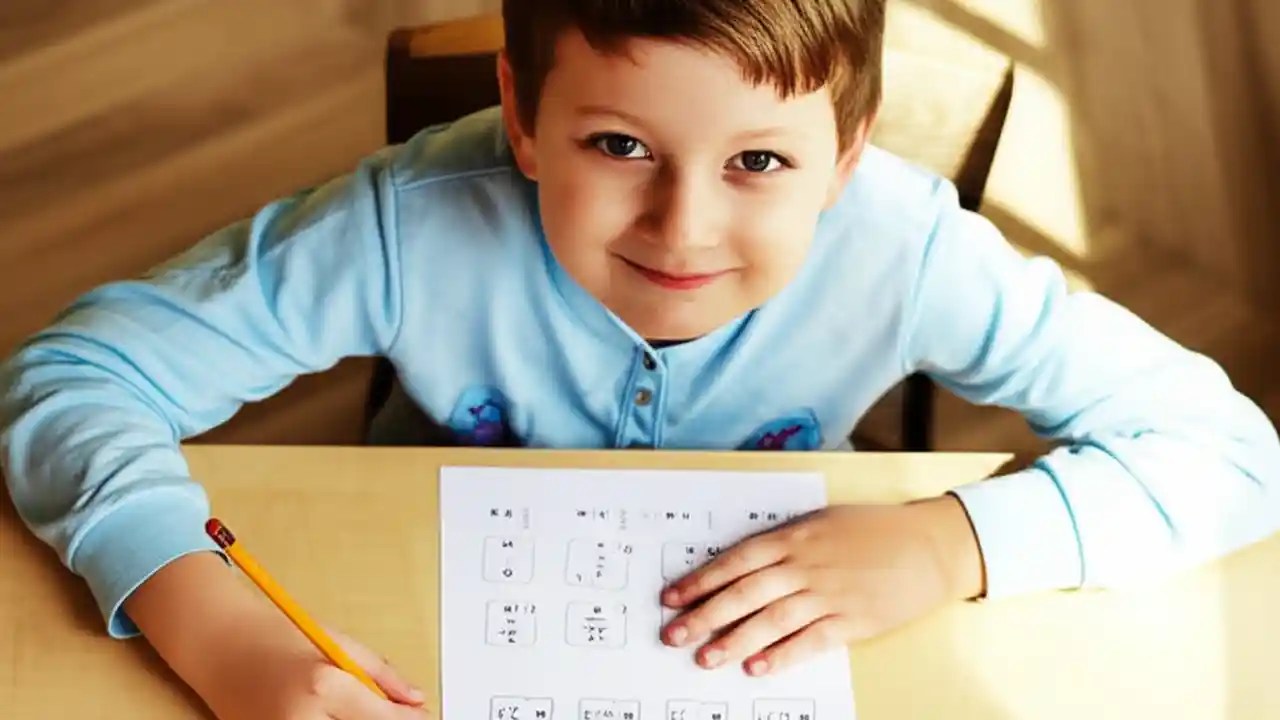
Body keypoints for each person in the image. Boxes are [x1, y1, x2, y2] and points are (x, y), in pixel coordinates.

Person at [3, 1, 1278, 718]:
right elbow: (70, 380)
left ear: (844, 154)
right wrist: (217, 634)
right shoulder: (404, 229)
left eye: (758, 162)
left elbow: (1228, 454)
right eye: (617, 146)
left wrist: (955, 545)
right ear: (518, 113)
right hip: (417, 631)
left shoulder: (905, 251)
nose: (682, 230)